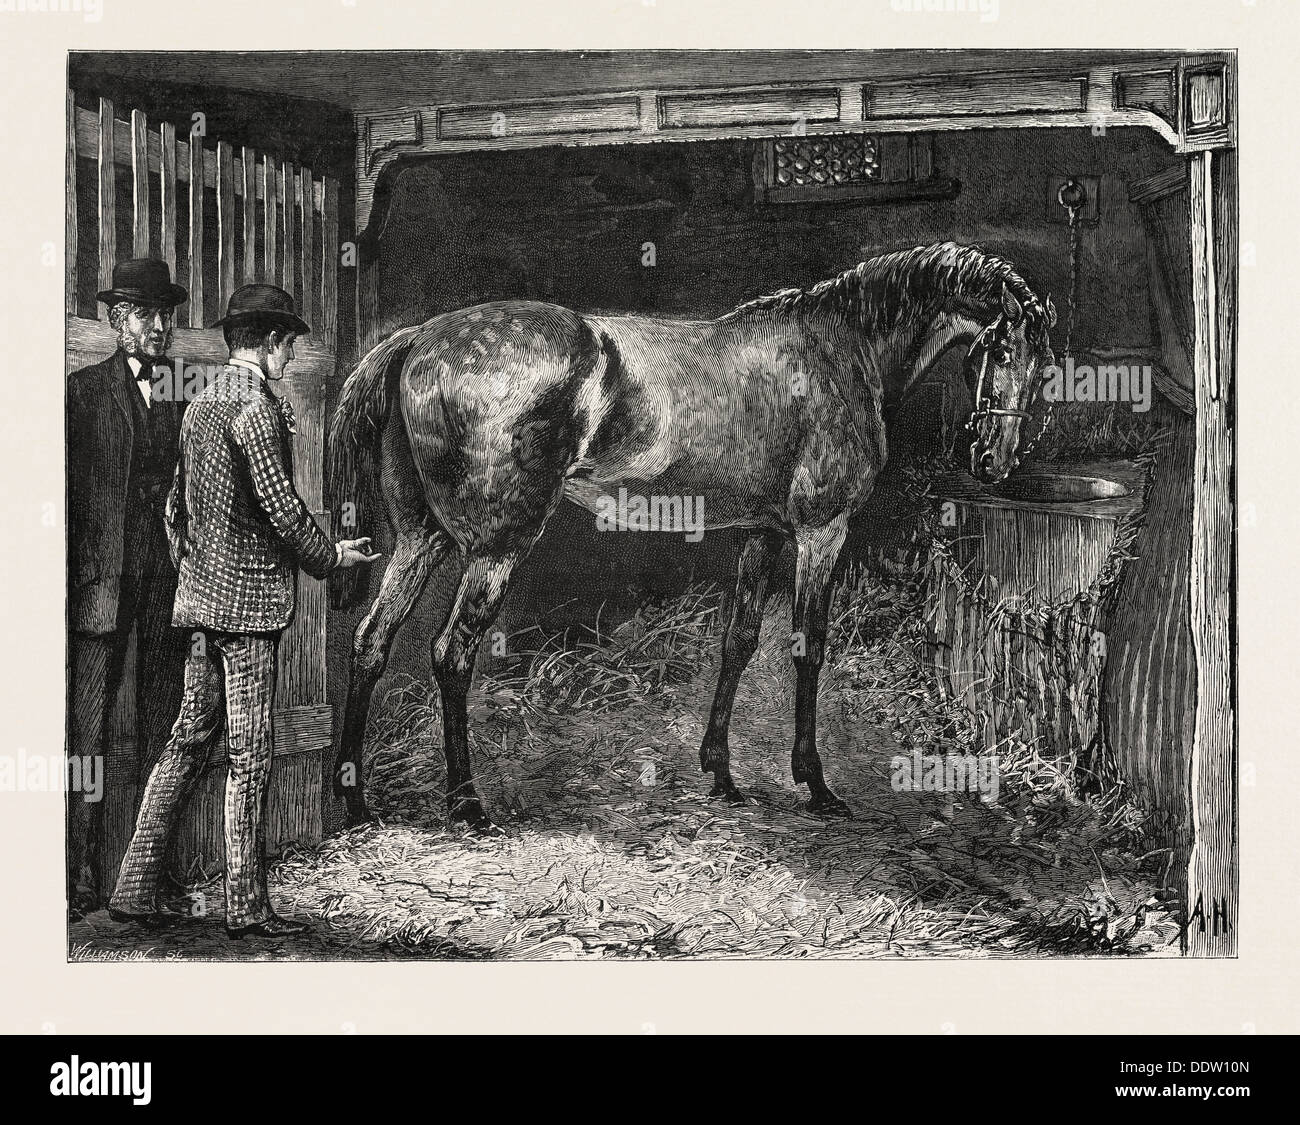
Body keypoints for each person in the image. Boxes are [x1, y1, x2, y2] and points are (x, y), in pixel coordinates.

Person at [108, 283, 380, 937]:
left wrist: (199, 571)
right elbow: (282, 508)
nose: (291, 356)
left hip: (200, 603)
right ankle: (246, 905)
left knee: (185, 741)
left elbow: (175, 509)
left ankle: (133, 887)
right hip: (248, 612)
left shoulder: (200, 402)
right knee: (251, 755)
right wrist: (334, 557)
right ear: (271, 341)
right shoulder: (253, 407)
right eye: (289, 344)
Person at [67, 259, 189, 917]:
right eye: (144, 313)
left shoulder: (182, 389)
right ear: (118, 320)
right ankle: (79, 878)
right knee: (85, 738)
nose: (159, 326)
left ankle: (148, 872)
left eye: (165, 313)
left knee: (160, 734)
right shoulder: (81, 392)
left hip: (162, 589)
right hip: (100, 588)